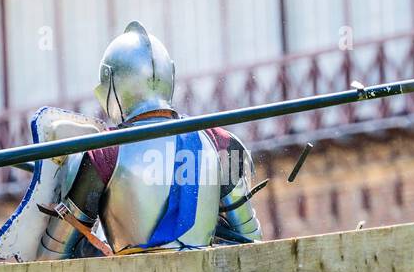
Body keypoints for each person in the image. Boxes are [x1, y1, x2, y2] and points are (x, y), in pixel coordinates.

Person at [36, 22, 263, 259]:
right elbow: (252, 242)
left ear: (111, 80)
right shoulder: (220, 143)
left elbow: (51, 257)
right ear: (170, 76)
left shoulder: (105, 153)